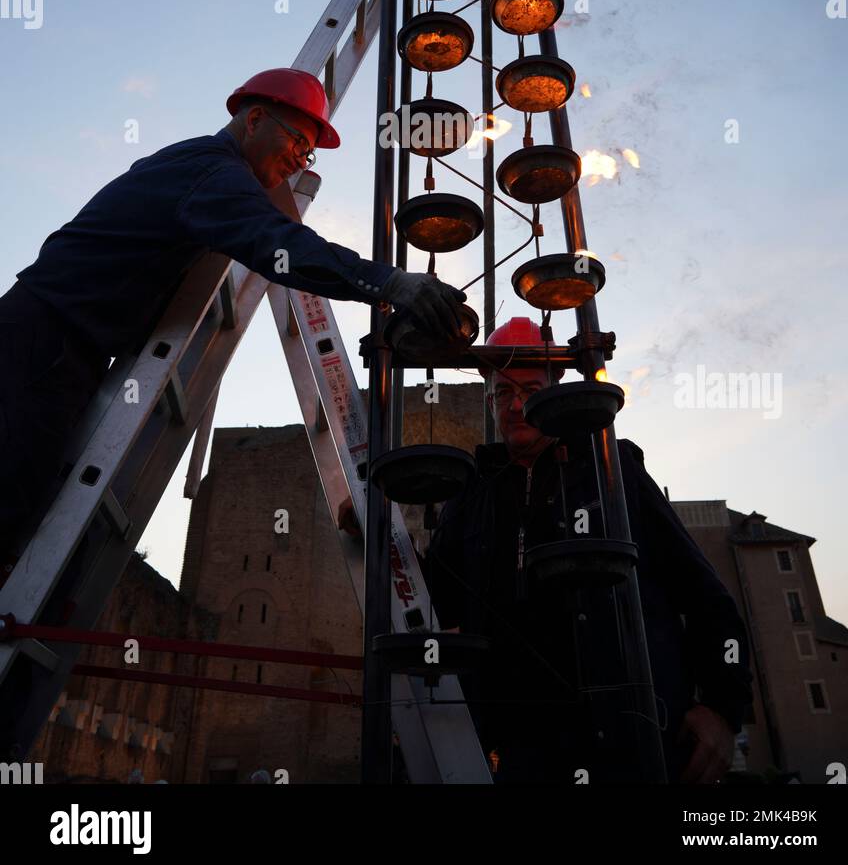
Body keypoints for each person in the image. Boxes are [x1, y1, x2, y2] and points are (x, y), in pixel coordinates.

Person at [0, 68, 465, 566]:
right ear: (256, 119)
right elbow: (281, 244)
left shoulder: (198, 168)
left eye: (308, 154)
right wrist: (391, 283)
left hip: (61, 341)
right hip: (44, 342)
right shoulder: (213, 174)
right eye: (297, 143)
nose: (298, 162)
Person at [425, 317, 754, 786]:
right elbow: (436, 594)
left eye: (531, 389)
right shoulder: (473, 493)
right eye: (502, 393)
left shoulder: (610, 469)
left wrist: (723, 707)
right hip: (517, 748)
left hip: (623, 736)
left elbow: (704, 595)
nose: (516, 406)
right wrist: (372, 522)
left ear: (555, 393)